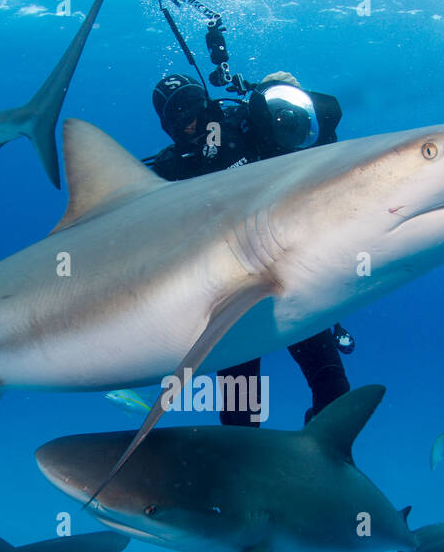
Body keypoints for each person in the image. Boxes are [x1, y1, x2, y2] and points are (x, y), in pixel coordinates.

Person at [144, 71, 354, 427]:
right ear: (167, 126)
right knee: (241, 420)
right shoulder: (168, 169)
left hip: (287, 288)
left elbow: (314, 143)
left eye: (194, 104)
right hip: (230, 308)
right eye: (177, 114)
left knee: (336, 395)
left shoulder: (247, 125)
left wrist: (287, 96)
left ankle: (323, 463)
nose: (190, 119)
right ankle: (248, 481)